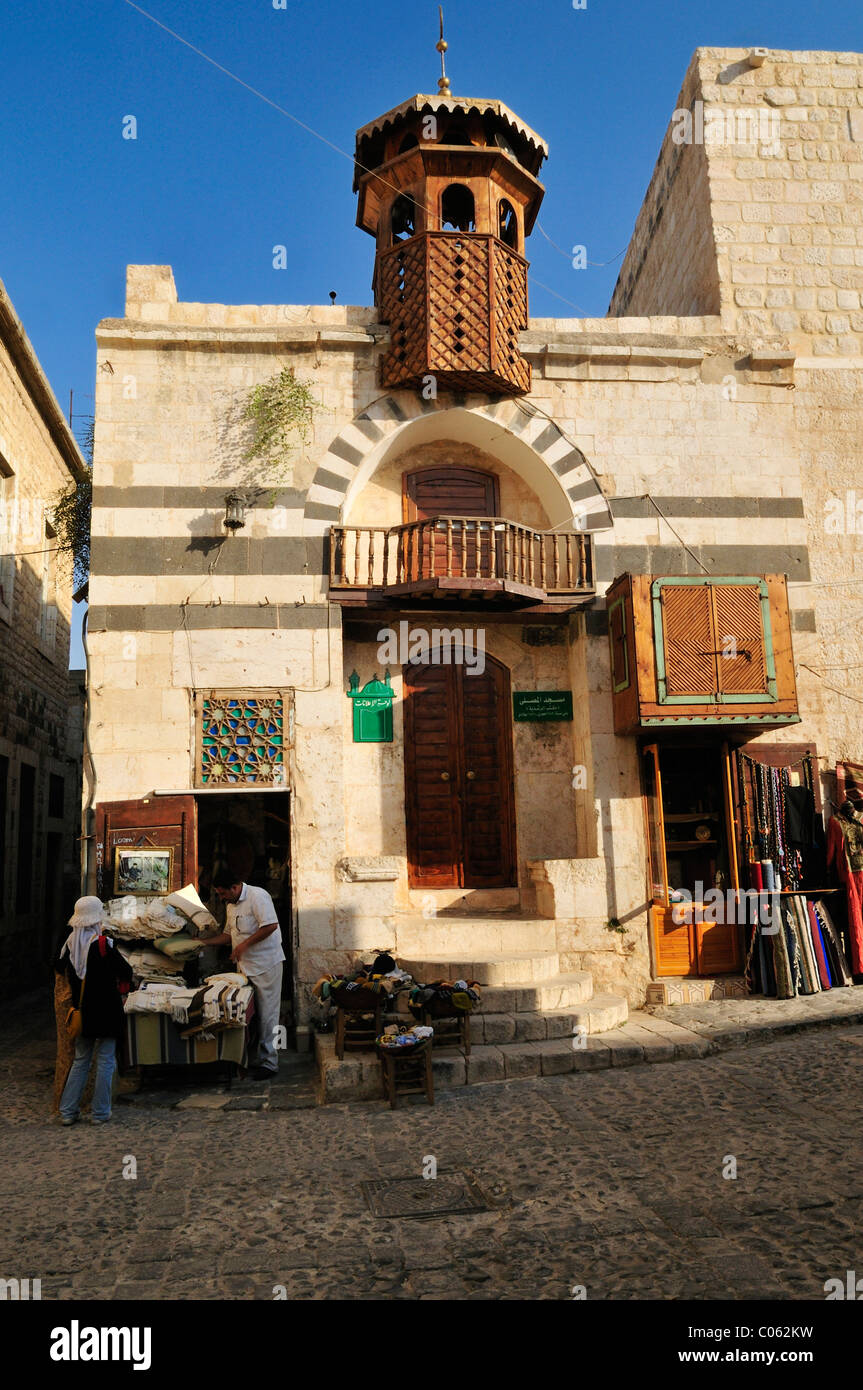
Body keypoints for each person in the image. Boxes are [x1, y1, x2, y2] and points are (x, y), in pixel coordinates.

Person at [55, 896, 133, 1126]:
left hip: (83, 1012)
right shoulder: (102, 945)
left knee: (81, 1060)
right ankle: (100, 1113)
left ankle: (68, 1112)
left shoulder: (68, 945)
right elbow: (126, 972)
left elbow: (61, 972)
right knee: (106, 1060)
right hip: (107, 1011)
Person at [208, 871, 285, 1080]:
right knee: (247, 1014)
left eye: (223, 893)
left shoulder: (258, 896)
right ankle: (249, 1060)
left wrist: (243, 945)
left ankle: (271, 1063)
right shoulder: (230, 905)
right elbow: (227, 935)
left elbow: (270, 925)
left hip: (266, 964)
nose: (221, 898)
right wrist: (203, 943)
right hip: (244, 968)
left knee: (269, 1015)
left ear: (234, 887)